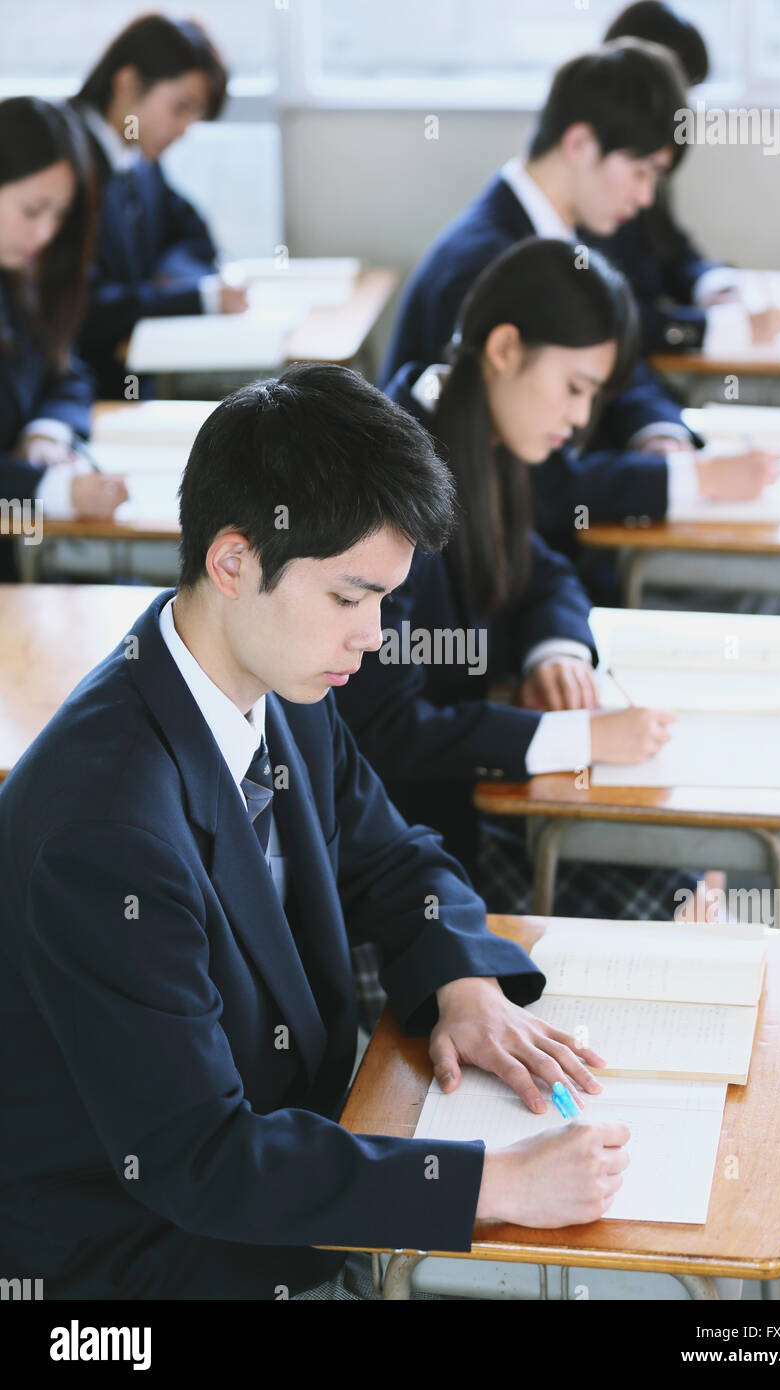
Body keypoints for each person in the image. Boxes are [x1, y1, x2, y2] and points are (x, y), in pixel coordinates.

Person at [0, 361, 630, 1301]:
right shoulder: (106, 829)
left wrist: (463, 983)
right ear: (233, 562)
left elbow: (391, 856)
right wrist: (493, 1185)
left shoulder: (274, 679)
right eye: (349, 597)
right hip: (135, 1258)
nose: (374, 635)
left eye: (383, 599)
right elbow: (201, 1159)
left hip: (290, 1145)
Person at [339, 240, 702, 1024]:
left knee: (698, 895)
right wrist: (579, 738)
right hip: (398, 862)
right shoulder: (393, 486)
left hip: (457, 814)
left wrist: (556, 650)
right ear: (505, 349)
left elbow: (544, 573)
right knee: (689, 911)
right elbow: (386, 731)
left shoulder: (476, 438)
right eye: (574, 388)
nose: (579, 420)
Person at [378, 39, 779, 558]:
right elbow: (531, 486)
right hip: (481, 567)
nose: (643, 197)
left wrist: (657, 435)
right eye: (641, 172)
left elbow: (621, 369)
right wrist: (690, 479)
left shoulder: (565, 237)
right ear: (581, 145)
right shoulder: (485, 265)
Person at [585, 2, 780, 353]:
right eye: (681, 88)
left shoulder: (641, 162)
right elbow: (608, 316)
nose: (684, 105)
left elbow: (669, 249)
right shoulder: (596, 172)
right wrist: (714, 328)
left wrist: (713, 286)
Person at [71, 14, 247, 399]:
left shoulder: (137, 158)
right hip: (84, 394)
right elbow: (83, 310)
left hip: (131, 383)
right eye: (180, 108)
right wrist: (201, 296)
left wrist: (164, 278)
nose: (185, 128)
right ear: (128, 83)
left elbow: (192, 234)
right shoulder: (62, 163)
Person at [0, 97, 127, 580]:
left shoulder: (18, 274)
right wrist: (54, 488)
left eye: (59, 214)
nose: (46, 232)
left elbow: (68, 371)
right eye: (33, 210)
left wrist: (44, 432)